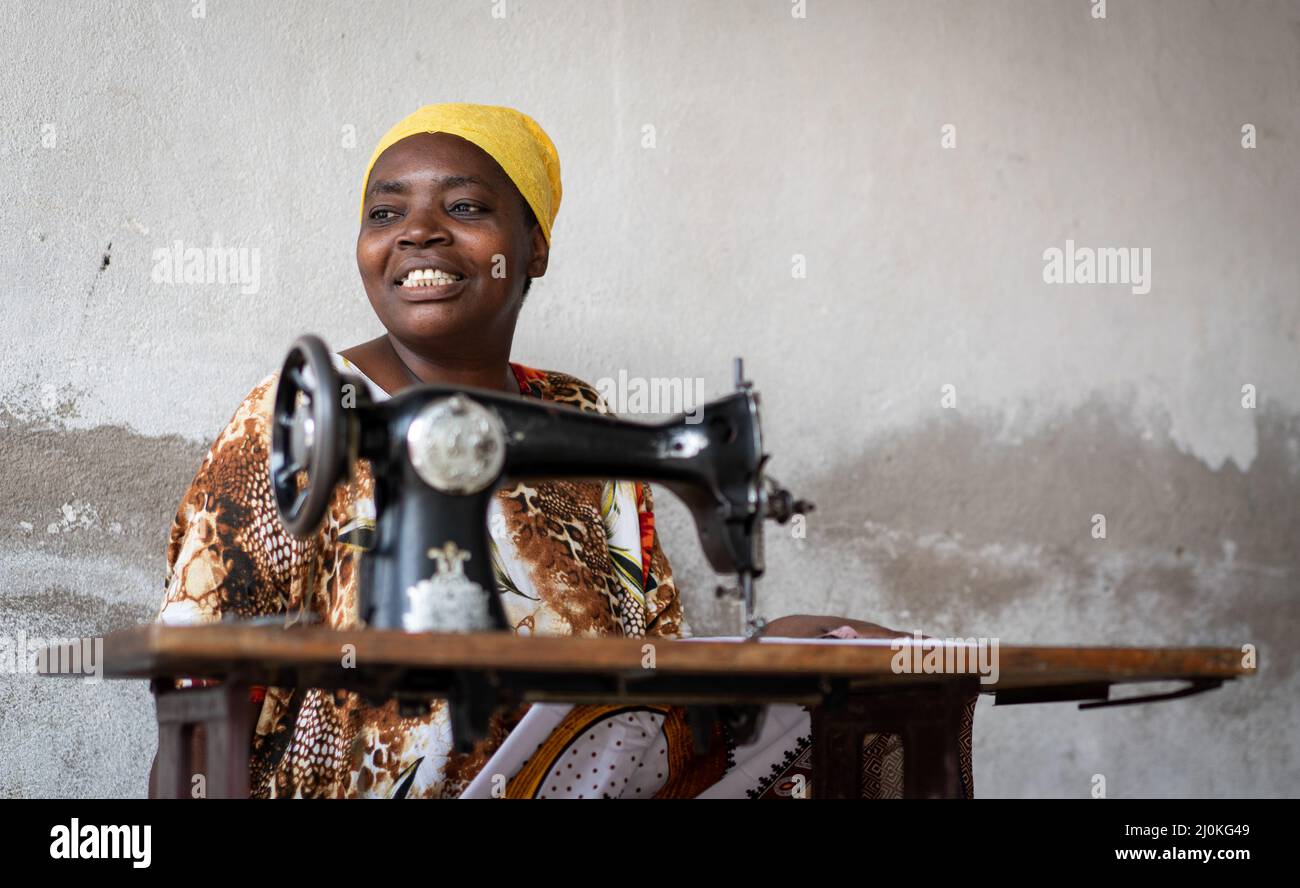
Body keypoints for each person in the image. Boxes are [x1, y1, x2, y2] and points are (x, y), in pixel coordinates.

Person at [152, 103, 975, 798]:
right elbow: (195, 698)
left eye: (466, 208)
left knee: (864, 688)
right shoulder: (301, 416)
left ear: (534, 247)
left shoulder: (580, 413)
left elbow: (646, 669)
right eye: (384, 211)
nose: (419, 234)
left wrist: (763, 654)